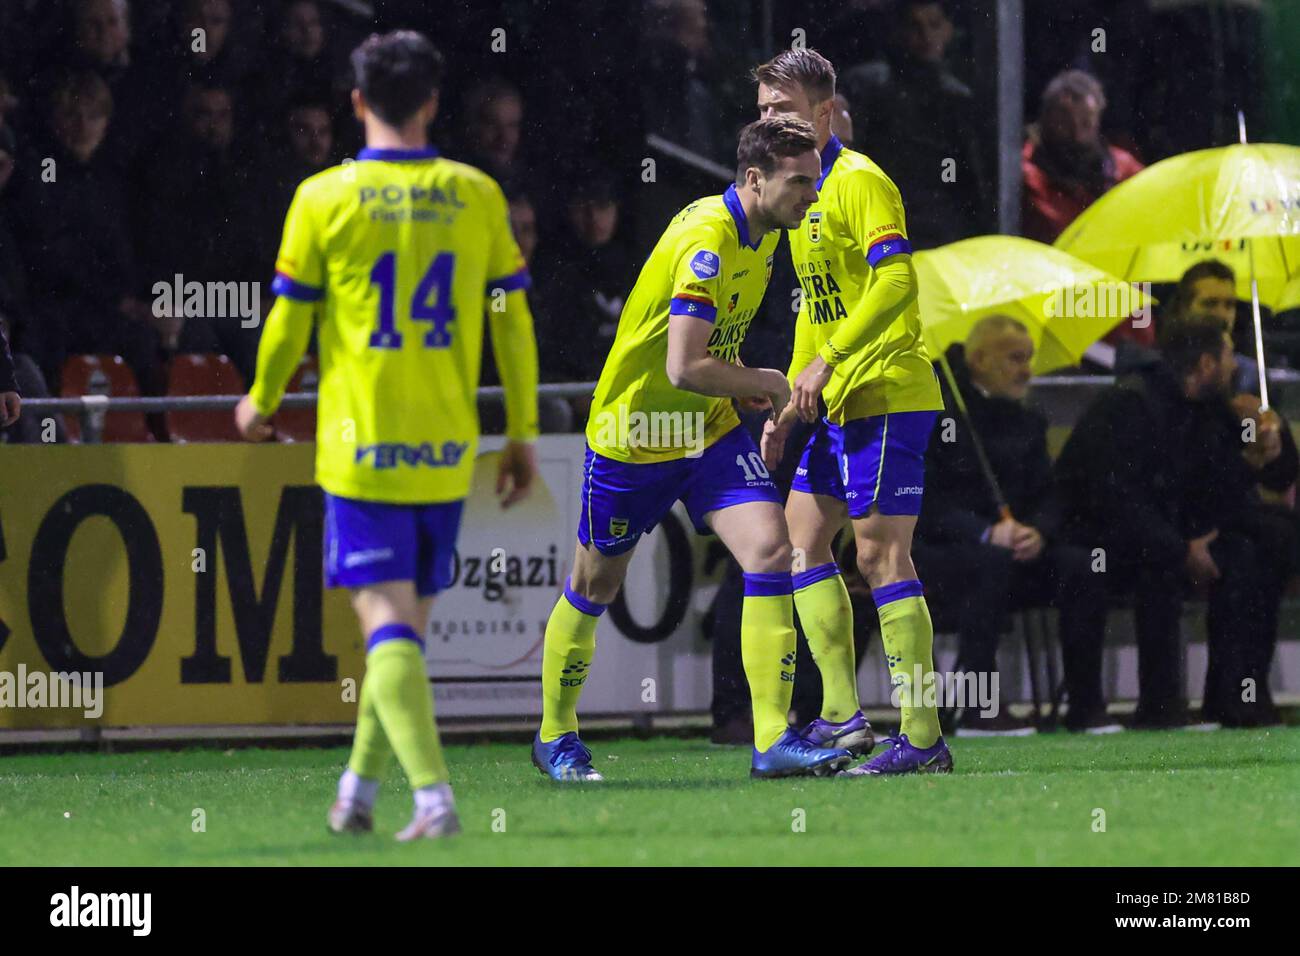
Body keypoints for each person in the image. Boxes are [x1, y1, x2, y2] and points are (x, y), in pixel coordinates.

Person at [235, 30, 540, 840]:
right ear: (435, 102)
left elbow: (289, 324)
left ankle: (435, 798)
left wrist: (260, 400)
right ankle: (357, 795)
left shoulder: (322, 199)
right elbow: (509, 321)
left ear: (358, 101)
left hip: (362, 443)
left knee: (389, 626)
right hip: (445, 449)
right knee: (400, 631)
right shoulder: (477, 194)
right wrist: (519, 429)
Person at [534, 117, 856, 782]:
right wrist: (765, 381)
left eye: (816, 182)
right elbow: (683, 364)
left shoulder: (764, 234)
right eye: (799, 183)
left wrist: (743, 396)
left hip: (706, 430)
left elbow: (710, 361)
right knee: (595, 584)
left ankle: (772, 738)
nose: (811, 196)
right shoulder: (707, 238)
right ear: (754, 179)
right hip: (640, 435)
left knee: (771, 549)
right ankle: (555, 735)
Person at [755, 48, 952, 776]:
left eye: (783, 109)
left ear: (826, 112)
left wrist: (830, 362)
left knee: (879, 555)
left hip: (887, 390)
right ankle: (843, 717)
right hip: (832, 397)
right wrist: (789, 402)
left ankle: (925, 738)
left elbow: (897, 277)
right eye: (764, 111)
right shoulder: (800, 192)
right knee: (802, 541)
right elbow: (818, 306)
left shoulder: (860, 180)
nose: (770, 121)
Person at [1055, 316, 1295, 728]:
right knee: (1158, 570)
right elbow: (1121, 500)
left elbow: (1240, 484)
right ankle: (1158, 707)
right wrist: (1183, 549)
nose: (1235, 366)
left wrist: (1268, 448)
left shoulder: (1214, 408)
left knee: (1253, 552)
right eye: (1225, 356)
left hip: (1178, 535)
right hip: (1107, 540)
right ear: (1204, 364)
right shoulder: (1130, 404)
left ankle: (1234, 700)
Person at [913, 317, 1116, 735]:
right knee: (989, 563)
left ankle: (1086, 705)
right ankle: (980, 710)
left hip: (1019, 552)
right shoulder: (938, 416)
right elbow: (928, 503)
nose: (1026, 370)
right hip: (945, 554)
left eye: (1028, 359)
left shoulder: (1028, 422)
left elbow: (1050, 494)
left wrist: (1037, 531)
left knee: (1083, 567)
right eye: (1014, 359)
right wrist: (985, 533)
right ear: (979, 360)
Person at [840, 0, 991, 248]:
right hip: (881, 223)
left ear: (949, 29)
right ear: (898, 31)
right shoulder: (868, 86)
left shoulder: (958, 99)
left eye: (934, 25)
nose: (926, 36)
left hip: (940, 230)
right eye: (914, 27)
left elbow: (969, 179)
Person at [1021, 69, 1143, 244]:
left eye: (1086, 123)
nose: (1077, 134)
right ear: (1046, 119)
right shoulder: (1027, 172)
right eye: (1065, 123)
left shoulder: (1124, 168)